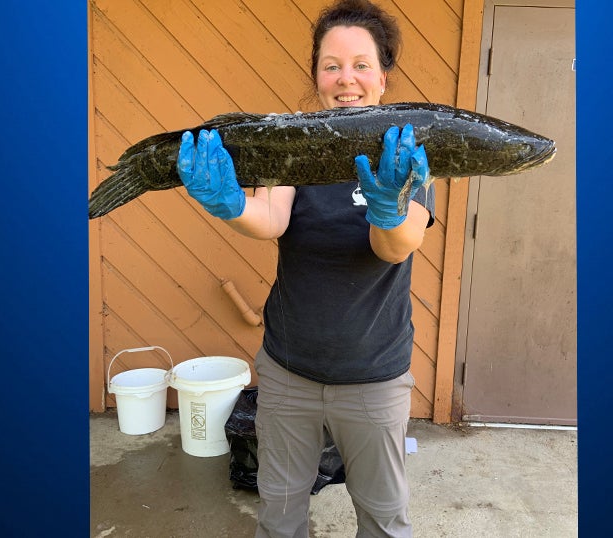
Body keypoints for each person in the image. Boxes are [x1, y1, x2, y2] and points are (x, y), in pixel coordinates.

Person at [177, 1, 433, 536]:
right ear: (316, 74)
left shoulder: (404, 151)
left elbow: (397, 246)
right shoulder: (296, 139)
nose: (346, 79)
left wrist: (387, 211)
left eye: (361, 65)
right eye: (331, 65)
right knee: (280, 511)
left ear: (382, 77)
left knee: (384, 518)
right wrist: (232, 205)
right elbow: (271, 217)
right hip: (287, 368)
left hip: (373, 374)